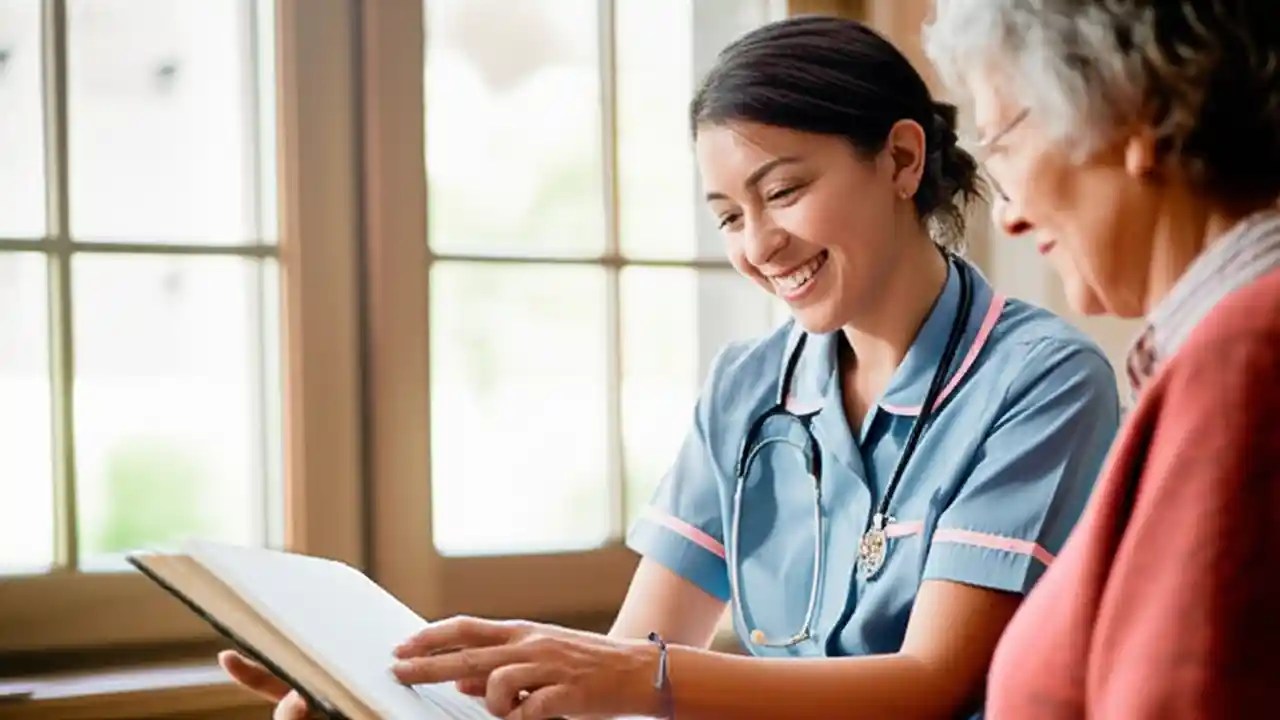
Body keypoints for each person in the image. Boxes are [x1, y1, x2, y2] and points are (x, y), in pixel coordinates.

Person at [222, 16, 1120, 719]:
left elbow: (928, 688)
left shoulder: (1040, 381)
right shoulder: (747, 388)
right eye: (728, 216)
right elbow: (629, 663)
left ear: (900, 158)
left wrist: (629, 677)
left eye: (784, 191)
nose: (760, 245)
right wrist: (382, 699)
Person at [921, 1, 1280, 717]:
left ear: (1133, 113)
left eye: (1005, 142)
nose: (1007, 213)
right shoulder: (1217, 347)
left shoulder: (1247, 353)